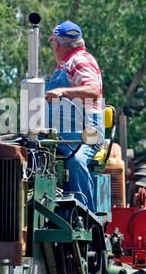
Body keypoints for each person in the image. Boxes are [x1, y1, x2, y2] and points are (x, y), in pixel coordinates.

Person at [44, 21, 105, 209]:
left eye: (52, 43)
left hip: (86, 132)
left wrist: (63, 91)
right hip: (61, 133)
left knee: (77, 162)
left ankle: (86, 214)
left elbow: (93, 89)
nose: (52, 48)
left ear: (56, 44)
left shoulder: (80, 60)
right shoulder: (64, 65)